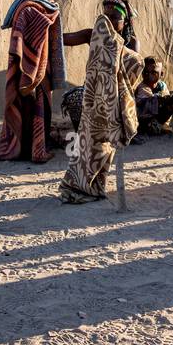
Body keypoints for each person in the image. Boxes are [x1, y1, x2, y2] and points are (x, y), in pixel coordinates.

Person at [58, 14, 144, 204]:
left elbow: (135, 69)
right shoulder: (94, 35)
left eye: (115, 17)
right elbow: (64, 39)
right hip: (94, 102)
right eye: (106, 14)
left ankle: (95, 186)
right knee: (88, 145)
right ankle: (81, 185)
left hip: (115, 106)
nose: (109, 20)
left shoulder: (131, 43)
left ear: (125, 21)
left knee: (105, 149)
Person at [0, 0, 65, 162]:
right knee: (36, 107)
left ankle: (22, 147)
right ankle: (37, 148)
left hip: (22, 71)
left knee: (25, 105)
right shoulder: (39, 14)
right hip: (38, 70)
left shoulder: (25, 12)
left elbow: (18, 42)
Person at [135, 58, 173, 136]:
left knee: (169, 105)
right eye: (146, 72)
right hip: (144, 119)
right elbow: (151, 104)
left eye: (153, 72)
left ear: (161, 74)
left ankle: (159, 126)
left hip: (155, 116)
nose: (149, 75)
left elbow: (166, 100)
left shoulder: (162, 85)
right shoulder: (142, 87)